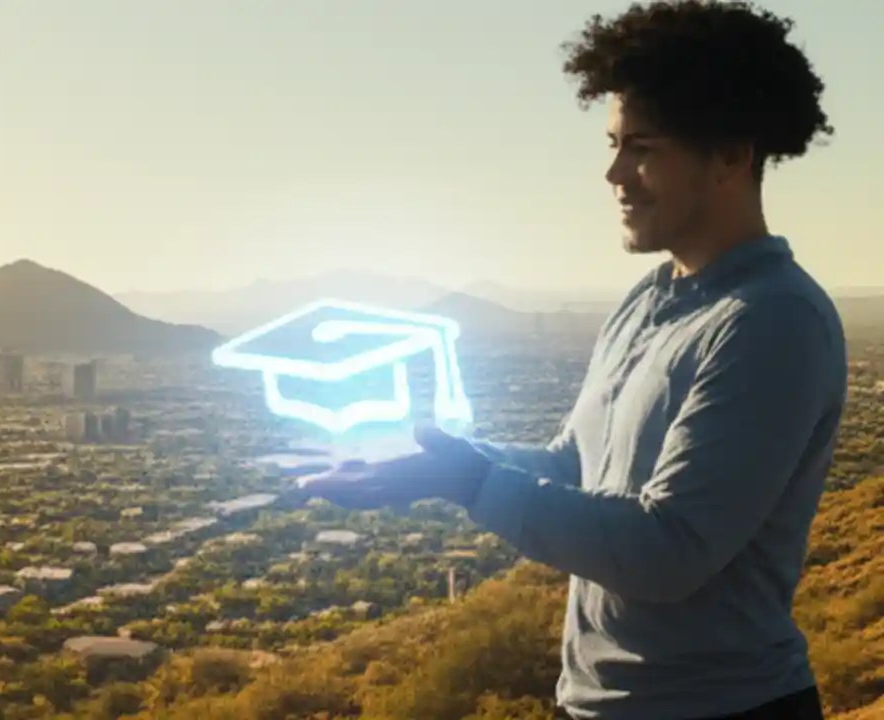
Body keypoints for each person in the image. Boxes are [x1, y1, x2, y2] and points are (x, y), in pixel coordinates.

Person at [291, 1, 845, 718]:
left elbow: (669, 551)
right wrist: (445, 462)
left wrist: (471, 482)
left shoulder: (772, 320)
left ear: (731, 155)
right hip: (596, 702)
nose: (614, 172)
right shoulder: (649, 301)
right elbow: (576, 467)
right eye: (613, 143)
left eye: (642, 148)